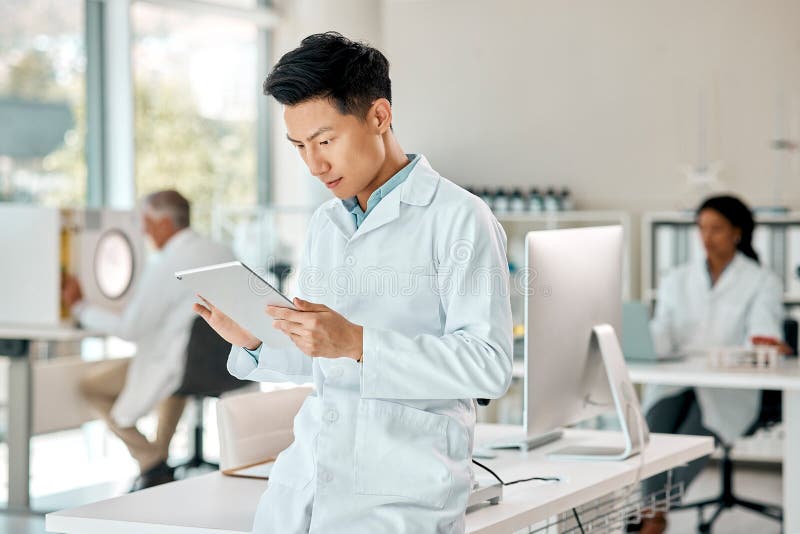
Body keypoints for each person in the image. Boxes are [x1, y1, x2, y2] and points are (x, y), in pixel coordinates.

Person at [194, 32, 513, 533]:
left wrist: (361, 344)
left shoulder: (459, 218)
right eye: (299, 147)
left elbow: (489, 367)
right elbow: (327, 359)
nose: (314, 164)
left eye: (325, 141)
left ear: (379, 117)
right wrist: (254, 339)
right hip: (307, 480)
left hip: (403, 490)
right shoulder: (326, 223)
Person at [62, 190, 234, 491]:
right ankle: (158, 461)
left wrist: (80, 308)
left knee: (90, 387)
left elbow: (129, 329)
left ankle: (151, 460)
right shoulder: (221, 251)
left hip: (178, 365)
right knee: (173, 380)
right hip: (221, 366)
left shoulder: (167, 264)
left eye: (146, 222)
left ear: (165, 223)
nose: (143, 231)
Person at [639, 195, 785, 534]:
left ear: (737, 231)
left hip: (728, 385)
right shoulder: (677, 278)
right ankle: (652, 515)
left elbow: (762, 334)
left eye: (716, 229)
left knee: (692, 438)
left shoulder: (762, 281)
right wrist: (643, 340)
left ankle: (653, 518)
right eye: (701, 228)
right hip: (678, 379)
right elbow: (664, 332)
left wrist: (763, 343)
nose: (707, 237)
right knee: (653, 434)